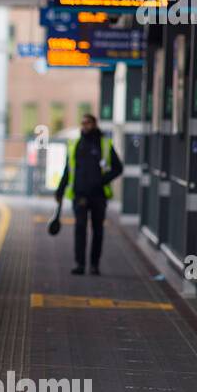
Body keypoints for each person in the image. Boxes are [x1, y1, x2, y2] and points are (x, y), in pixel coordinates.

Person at [54, 114, 123, 275]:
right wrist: (60, 190)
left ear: (94, 124)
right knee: (80, 229)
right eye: (83, 123)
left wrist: (102, 180)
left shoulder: (104, 144)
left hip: (98, 195)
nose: (84, 126)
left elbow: (118, 168)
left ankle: (94, 265)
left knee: (98, 231)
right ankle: (80, 264)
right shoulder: (75, 144)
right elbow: (68, 170)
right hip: (80, 195)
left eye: (88, 123)